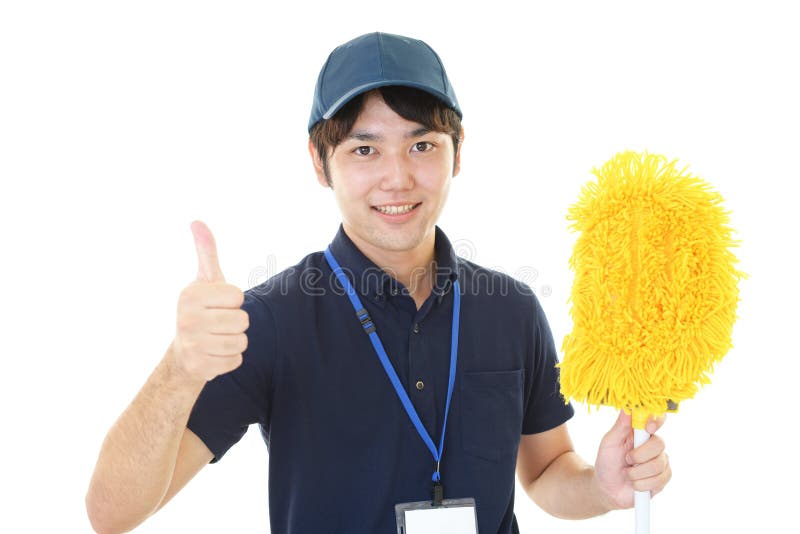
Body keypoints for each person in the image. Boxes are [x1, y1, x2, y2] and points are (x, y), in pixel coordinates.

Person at [86, 32, 671, 534]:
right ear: (320, 162)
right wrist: (179, 370)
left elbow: (545, 473)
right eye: (365, 149)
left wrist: (603, 486)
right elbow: (112, 513)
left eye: (422, 145)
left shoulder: (510, 309)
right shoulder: (267, 321)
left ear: (458, 153)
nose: (398, 178)